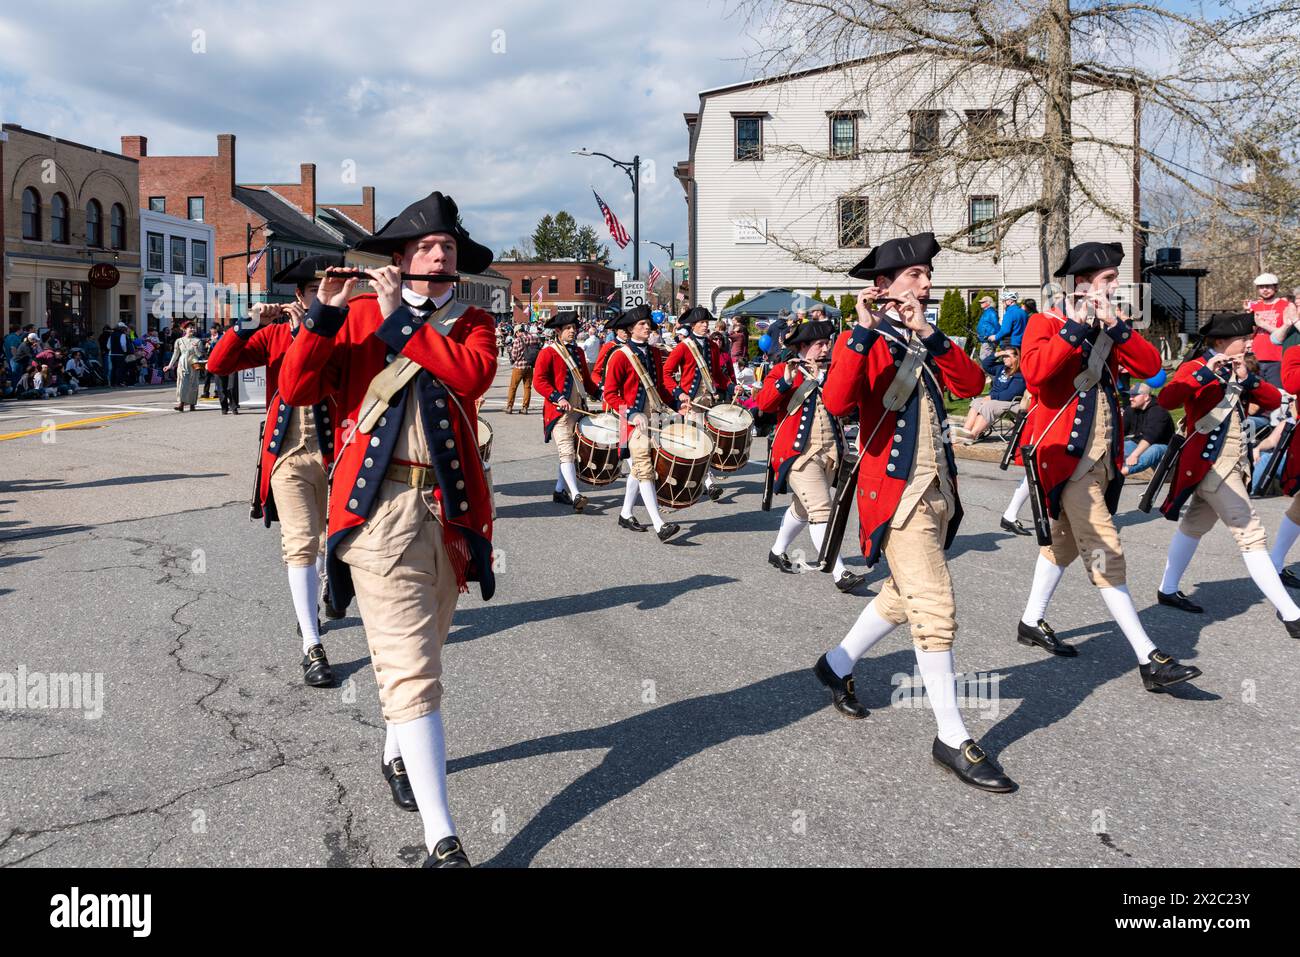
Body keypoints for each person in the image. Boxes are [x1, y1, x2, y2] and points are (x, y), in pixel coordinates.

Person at [279, 190, 496, 868]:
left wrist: (401, 317)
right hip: (377, 516)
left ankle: (395, 749)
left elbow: (468, 375)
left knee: (423, 656)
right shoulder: (356, 314)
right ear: (399, 259)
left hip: (447, 514)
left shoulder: (472, 323)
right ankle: (444, 837)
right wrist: (324, 311)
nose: (440, 255)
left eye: (448, 249)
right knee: (411, 673)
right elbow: (293, 385)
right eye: (428, 248)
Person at [814, 231, 1016, 793]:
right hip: (896, 494)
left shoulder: (922, 339)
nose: (927, 284)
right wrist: (861, 330)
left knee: (902, 595)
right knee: (933, 605)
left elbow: (973, 384)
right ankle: (951, 736)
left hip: (937, 490)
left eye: (927, 276)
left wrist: (928, 330)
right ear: (884, 286)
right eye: (916, 277)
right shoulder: (869, 338)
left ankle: (837, 664)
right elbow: (836, 401)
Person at [1012, 241, 1201, 693]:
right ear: (1082, 282)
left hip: (1101, 456)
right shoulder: (1048, 321)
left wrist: (1114, 325)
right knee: (1104, 547)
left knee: (1063, 543)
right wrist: (1075, 328)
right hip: (1062, 456)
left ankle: (1030, 620)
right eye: (1109, 279)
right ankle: (1148, 657)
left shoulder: (1110, 326)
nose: (1117, 284)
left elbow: (1153, 368)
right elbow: (1035, 376)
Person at [207, 253, 346, 693]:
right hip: (286, 453)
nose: (326, 302)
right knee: (300, 543)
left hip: (336, 453)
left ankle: (327, 586)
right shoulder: (273, 335)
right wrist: (245, 325)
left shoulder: (343, 331)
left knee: (334, 540)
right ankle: (311, 642)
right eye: (316, 294)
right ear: (300, 296)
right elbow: (218, 366)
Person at [1153, 311, 1300, 636]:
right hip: (1210, 465)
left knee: (1194, 525)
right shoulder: (1197, 366)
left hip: (1232, 462)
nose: (1250, 343)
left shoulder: (1239, 368)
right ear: (1221, 341)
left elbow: (1275, 399)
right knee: (1250, 532)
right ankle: (1291, 614)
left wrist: (1248, 379)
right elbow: (1166, 398)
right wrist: (1205, 375)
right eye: (1244, 339)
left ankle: (1167, 589)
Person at [756, 319, 867, 593]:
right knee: (820, 508)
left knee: (802, 508)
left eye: (827, 343)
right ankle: (838, 571)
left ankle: (777, 550)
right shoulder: (784, 370)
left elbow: (845, 408)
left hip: (830, 452)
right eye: (819, 344)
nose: (825, 348)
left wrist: (823, 378)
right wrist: (785, 382)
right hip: (798, 454)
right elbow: (764, 405)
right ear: (802, 347)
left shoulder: (830, 373)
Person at [603, 304, 685, 542]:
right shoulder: (619, 356)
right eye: (642, 324)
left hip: (654, 418)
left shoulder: (654, 353)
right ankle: (660, 525)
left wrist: (678, 404)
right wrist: (631, 414)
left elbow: (659, 389)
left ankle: (626, 513)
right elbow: (610, 394)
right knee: (645, 467)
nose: (647, 327)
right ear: (630, 329)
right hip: (630, 421)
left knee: (639, 471)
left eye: (648, 324)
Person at [663, 305, 734, 502]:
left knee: (707, 440)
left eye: (706, 322)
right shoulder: (684, 346)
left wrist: (731, 387)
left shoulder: (712, 346)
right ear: (693, 325)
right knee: (700, 440)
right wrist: (679, 393)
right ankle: (708, 482)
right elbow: (666, 373)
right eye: (702, 323)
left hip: (709, 400)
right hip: (691, 402)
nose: (705, 326)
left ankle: (696, 479)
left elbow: (718, 374)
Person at [533, 310, 601, 512]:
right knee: (566, 452)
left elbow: (586, 382)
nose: (573, 331)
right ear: (558, 331)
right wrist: (558, 397)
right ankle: (576, 494)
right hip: (559, 412)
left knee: (571, 454)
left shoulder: (578, 352)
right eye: (568, 329)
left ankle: (559, 490)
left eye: (574, 328)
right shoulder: (548, 352)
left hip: (579, 410)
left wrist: (600, 393)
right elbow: (539, 381)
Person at [960, 346, 1025, 444]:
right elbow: (986, 365)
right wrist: (997, 354)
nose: (1004, 358)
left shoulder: (1020, 374)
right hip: (996, 400)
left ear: (1016, 357)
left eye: (1007, 356)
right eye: (1003, 356)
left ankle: (972, 435)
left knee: (989, 406)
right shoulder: (1001, 368)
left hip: (1011, 403)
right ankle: (965, 431)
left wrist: (992, 397)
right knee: (976, 402)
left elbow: (1011, 393)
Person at [1121, 382, 1174, 476]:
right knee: (1120, 447)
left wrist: (1134, 455)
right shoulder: (1130, 409)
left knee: (1154, 449)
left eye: (1134, 395)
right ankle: (1108, 469)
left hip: (1162, 447)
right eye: (1130, 395)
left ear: (1146, 397)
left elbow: (1150, 437)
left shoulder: (1159, 411)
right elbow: (1121, 432)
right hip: (1138, 443)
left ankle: (1122, 472)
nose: (1130, 398)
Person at [1249, 272, 1290, 386]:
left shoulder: (1285, 306)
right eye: (1261, 287)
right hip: (1256, 358)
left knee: (1278, 394)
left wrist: (1263, 324)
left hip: (1277, 358)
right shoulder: (1256, 307)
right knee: (1258, 396)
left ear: (1275, 288)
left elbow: (1285, 332)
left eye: (1268, 286)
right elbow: (1252, 333)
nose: (1264, 290)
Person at [165, 322, 202, 410]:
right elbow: (175, 354)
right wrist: (169, 366)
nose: (192, 329)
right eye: (190, 328)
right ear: (185, 329)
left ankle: (192, 404)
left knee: (193, 384)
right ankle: (181, 404)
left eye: (193, 328)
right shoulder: (179, 341)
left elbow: (199, 355)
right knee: (182, 383)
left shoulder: (198, 341)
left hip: (194, 363)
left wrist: (196, 348)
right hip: (183, 364)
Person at [506, 322, 539, 414]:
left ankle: (509, 407)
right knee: (527, 387)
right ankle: (525, 408)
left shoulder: (517, 340)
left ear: (517, 332)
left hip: (519, 366)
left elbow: (514, 356)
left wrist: (511, 352)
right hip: (530, 365)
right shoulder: (534, 337)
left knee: (513, 387)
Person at [106, 322, 132, 387]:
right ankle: (119, 382)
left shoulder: (111, 335)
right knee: (120, 369)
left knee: (114, 369)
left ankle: (112, 383)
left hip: (112, 355)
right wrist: (125, 351)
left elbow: (108, 346)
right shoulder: (122, 335)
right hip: (120, 354)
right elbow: (123, 344)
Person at [975, 295, 999, 359]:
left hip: (988, 340)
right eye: (981, 302)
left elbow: (996, 326)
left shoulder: (991, 313)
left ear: (988, 303)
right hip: (984, 339)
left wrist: (994, 337)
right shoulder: (986, 312)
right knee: (983, 359)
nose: (981, 303)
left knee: (985, 359)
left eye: (983, 302)